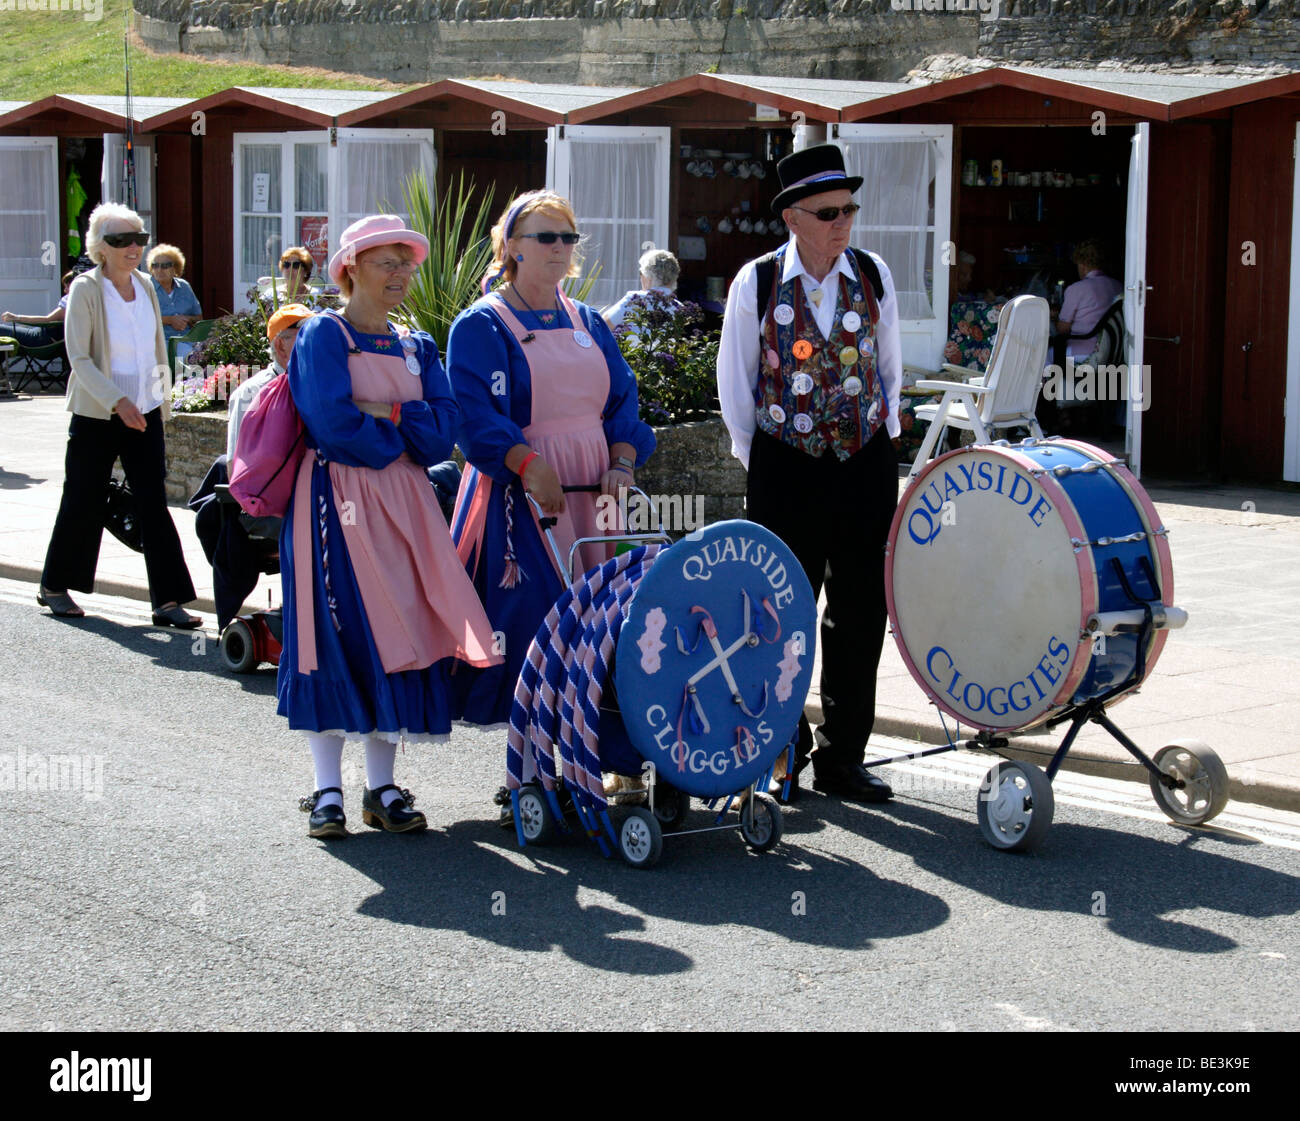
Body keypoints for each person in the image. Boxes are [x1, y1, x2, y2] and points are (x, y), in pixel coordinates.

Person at [279, 214, 499, 840]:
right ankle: (327, 791)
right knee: (335, 630)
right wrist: (403, 427)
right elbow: (332, 427)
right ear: (350, 268)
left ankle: (380, 787)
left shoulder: (417, 344)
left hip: (404, 504)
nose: (402, 273)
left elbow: (442, 430)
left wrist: (388, 411)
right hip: (334, 504)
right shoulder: (323, 334)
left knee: (398, 628)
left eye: (407, 262)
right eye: (387, 262)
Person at [716, 143, 902, 805]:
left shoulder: (873, 273)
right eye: (828, 211)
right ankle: (781, 753)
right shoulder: (759, 281)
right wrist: (765, 457)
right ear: (792, 217)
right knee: (779, 612)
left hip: (864, 464)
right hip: (785, 468)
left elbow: (890, 370)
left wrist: (876, 441)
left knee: (860, 612)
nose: (842, 221)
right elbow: (735, 385)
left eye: (849, 207)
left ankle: (844, 756)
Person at [447, 190, 656, 726]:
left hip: (597, 491)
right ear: (512, 247)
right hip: (525, 491)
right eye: (546, 237)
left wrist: (623, 460)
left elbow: (621, 400)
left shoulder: (589, 320)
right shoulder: (481, 326)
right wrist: (526, 464)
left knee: (607, 621)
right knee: (536, 623)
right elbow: (474, 415)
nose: (561, 247)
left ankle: (595, 748)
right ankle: (530, 767)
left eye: (569, 237)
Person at [38, 203, 201, 627]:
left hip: (143, 410)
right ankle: (55, 585)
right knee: (82, 498)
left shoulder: (146, 285)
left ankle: (168, 601)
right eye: (120, 240)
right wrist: (117, 401)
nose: (132, 247)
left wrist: (157, 400)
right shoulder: (86, 290)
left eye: (138, 239)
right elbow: (79, 357)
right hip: (98, 411)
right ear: (100, 247)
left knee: (153, 501)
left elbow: (153, 348)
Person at [226, 303, 313, 463]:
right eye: (305, 336)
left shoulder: (317, 385)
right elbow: (236, 463)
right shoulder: (251, 392)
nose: (314, 342)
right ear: (280, 346)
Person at [1056, 238, 1123, 360]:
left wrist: (1054, 318)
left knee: (1041, 356)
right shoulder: (1118, 286)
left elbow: (1062, 329)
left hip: (1082, 352)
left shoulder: (1077, 289)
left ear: (1082, 265)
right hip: (1113, 353)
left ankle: (1059, 379)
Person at [601, 248, 684, 330]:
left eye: (641, 273)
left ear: (647, 276)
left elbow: (603, 325)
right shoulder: (679, 308)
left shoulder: (635, 299)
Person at [1, 270, 78, 347]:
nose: (64, 290)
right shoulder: (82, 303)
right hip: (41, 334)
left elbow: (47, 320)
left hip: (42, 339)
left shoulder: (70, 302)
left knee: (1, 329)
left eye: (67, 287)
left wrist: (16, 317)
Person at [146, 244, 203, 342]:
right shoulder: (146, 288)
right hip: (159, 345)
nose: (159, 270)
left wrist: (185, 319)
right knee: (180, 356)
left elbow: (199, 318)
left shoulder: (184, 287)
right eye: (155, 265)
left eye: (165, 266)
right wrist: (170, 320)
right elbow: (142, 319)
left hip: (186, 341)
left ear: (175, 268)